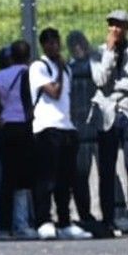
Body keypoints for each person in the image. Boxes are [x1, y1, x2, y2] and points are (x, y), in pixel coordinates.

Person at [92, 8, 128, 236]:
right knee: (106, 170)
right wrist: (109, 52)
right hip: (107, 115)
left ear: (127, 28)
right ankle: (108, 220)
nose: (115, 29)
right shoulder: (97, 53)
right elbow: (100, 79)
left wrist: (113, 87)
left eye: (119, 25)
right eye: (112, 25)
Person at [29, 27, 90, 240]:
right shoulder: (39, 66)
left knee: (66, 179)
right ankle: (44, 220)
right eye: (49, 43)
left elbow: (67, 98)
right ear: (43, 46)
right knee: (46, 179)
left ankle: (64, 221)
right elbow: (54, 92)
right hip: (47, 127)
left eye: (56, 42)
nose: (54, 46)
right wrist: (61, 70)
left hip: (66, 128)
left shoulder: (66, 69)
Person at [0, 41, 36, 239]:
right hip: (27, 127)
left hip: (6, 128)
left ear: (11, 56)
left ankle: (4, 227)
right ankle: (22, 223)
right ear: (29, 55)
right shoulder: (33, 73)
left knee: (7, 178)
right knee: (24, 179)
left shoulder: (0, 76)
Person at [66, 30, 110, 237]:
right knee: (82, 176)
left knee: (102, 174)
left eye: (79, 44)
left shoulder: (77, 67)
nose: (77, 48)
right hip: (84, 127)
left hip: (92, 126)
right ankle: (88, 214)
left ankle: (107, 214)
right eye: (73, 45)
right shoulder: (77, 67)